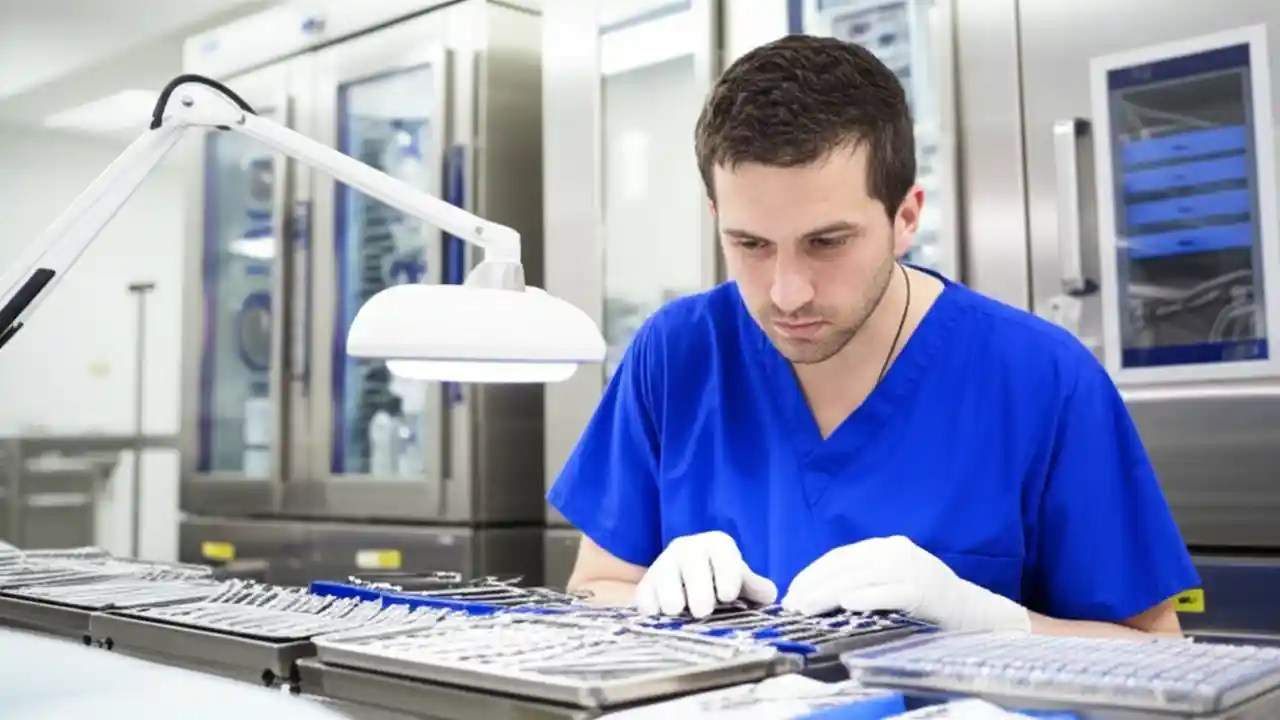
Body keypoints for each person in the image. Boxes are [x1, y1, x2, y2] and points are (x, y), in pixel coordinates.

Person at [546, 34, 1199, 637]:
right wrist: (655, 598)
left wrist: (994, 624)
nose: (786, 292)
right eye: (749, 244)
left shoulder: (1041, 379)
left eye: (826, 242)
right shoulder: (677, 354)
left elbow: (1158, 654)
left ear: (905, 216)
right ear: (717, 216)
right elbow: (598, 584)